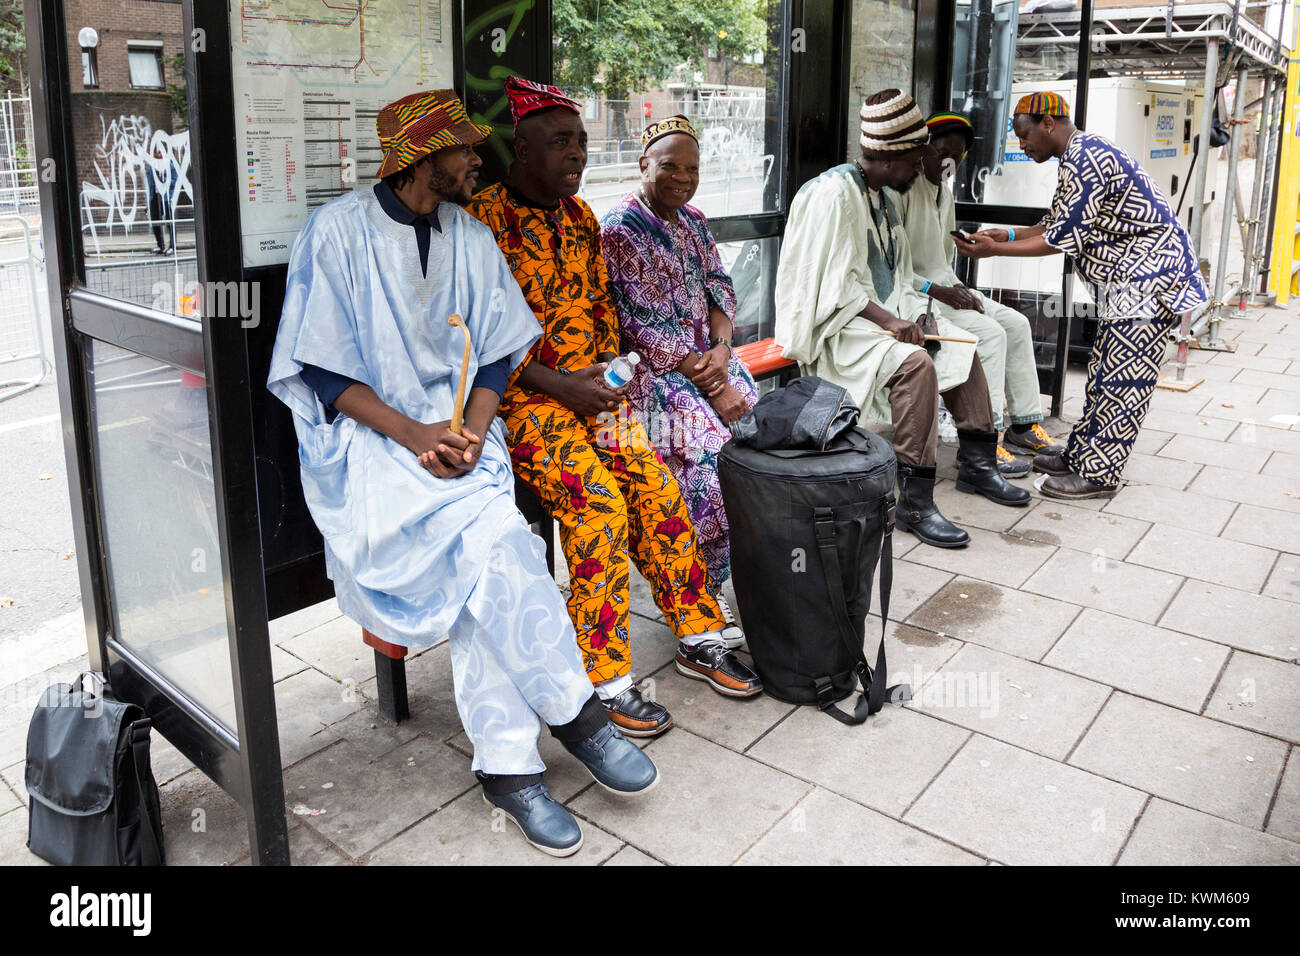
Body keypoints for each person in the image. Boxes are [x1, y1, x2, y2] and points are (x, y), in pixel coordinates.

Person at [267, 90, 659, 858]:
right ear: (422, 158)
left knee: (490, 557)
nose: (480, 160)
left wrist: (473, 433)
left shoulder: (468, 234)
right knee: (500, 548)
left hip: (462, 440)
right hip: (372, 448)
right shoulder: (338, 234)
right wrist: (415, 433)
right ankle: (576, 716)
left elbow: (501, 349)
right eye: (465, 150)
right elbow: (314, 370)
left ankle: (511, 769)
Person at [467, 78, 762, 740]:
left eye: (581, 141)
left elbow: (605, 317)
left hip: (599, 393)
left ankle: (698, 635)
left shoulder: (579, 220)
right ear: (520, 148)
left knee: (656, 486)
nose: (576, 154)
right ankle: (604, 680)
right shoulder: (482, 223)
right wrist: (561, 385)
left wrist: (610, 376)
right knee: (597, 506)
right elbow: (474, 340)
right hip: (528, 404)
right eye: (560, 142)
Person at [774, 89, 1030, 549]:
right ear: (888, 155)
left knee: (959, 342)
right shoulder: (833, 195)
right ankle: (914, 501)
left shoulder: (884, 197)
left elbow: (900, 279)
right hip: (834, 327)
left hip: (872, 317)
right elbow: (830, 289)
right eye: (915, 157)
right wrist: (891, 322)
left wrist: (915, 316)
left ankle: (977, 465)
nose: (921, 166)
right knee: (916, 364)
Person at [957, 91, 1208, 499]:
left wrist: (994, 249)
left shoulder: (1087, 157)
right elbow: (1055, 222)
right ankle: (1081, 455)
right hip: (1127, 286)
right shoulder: (1078, 154)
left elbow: (1061, 239)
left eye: (1025, 136)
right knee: (1103, 376)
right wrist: (1004, 233)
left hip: (1147, 282)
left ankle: (1100, 474)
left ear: (1048, 123)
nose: (1023, 145)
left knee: (1122, 381)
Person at [599, 114, 758, 621]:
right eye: (670, 166)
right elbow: (640, 325)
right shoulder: (620, 230)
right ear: (643, 163)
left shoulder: (694, 222)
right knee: (714, 471)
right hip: (655, 380)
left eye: (692, 169)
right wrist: (714, 384)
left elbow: (720, 286)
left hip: (708, 363)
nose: (683, 178)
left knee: (757, 450)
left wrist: (722, 346)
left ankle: (751, 571)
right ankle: (702, 595)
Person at [895, 111, 1066, 475]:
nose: (948, 163)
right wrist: (940, 289)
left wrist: (959, 283)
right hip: (915, 296)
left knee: (1017, 324)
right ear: (923, 148)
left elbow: (939, 257)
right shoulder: (902, 190)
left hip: (945, 288)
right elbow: (894, 271)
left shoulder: (943, 189)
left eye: (956, 158)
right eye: (943, 153)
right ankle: (984, 442)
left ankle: (1024, 425)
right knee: (989, 335)